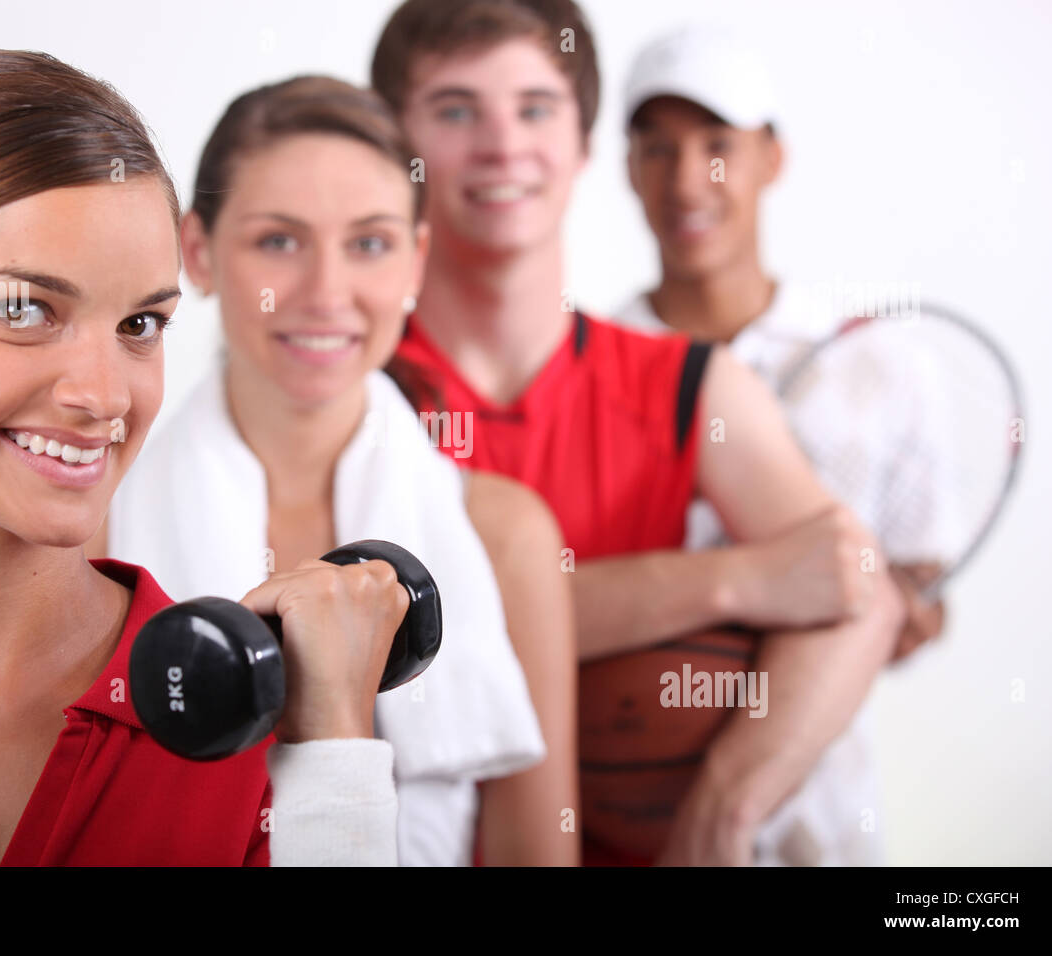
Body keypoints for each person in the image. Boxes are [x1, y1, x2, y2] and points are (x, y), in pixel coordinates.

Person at [0, 48, 408, 867]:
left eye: (139, 325)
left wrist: (333, 765)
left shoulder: (244, 731)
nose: (104, 396)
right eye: (24, 309)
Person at [371, 0, 905, 864]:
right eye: (458, 109)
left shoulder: (690, 384)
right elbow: (414, 632)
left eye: (535, 108)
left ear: (583, 145)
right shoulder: (356, 395)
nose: (503, 144)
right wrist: (734, 580)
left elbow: (858, 590)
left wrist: (725, 809)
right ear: (398, 148)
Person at [87, 75, 580, 865]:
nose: (325, 293)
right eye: (279, 241)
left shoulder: (506, 534)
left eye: (370, 243)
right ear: (199, 253)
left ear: (417, 261)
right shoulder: (91, 525)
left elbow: (537, 855)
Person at [612, 25, 946, 864]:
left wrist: (902, 610)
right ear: (627, 168)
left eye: (718, 146)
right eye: (659, 149)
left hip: (821, 821)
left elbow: (917, 580)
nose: (688, 180)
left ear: (773, 159)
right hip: (626, 807)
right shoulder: (590, 368)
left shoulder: (878, 362)